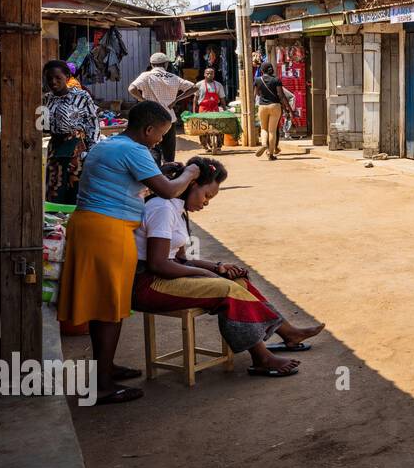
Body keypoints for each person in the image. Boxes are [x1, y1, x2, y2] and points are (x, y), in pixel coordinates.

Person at [57, 101, 203, 404]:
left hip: (90, 225)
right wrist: (189, 174)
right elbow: (167, 190)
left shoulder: (109, 144)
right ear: (148, 129)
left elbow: (133, 181)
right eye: (161, 134)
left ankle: (105, 369)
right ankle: (103, 385)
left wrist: (159, 173)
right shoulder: (135, 151)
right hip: (107, 230)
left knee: (103, 304)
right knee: (109, 308)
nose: (161, 139)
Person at [132, 157, 325, 377]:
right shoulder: (162, 208)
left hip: (165, 278)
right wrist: (205, 273)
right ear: (192, 184)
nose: (205, 203)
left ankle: (286, 333)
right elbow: (158, 265)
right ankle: (263, 357)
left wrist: (218, 267)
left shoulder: (177, 209)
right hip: (148, 285)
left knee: (237, 281)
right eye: (206, 196)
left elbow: (180, 260)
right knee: (227, 289)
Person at [42, 60, 101, 205]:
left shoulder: (81, 97)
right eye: (49, 78)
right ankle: (56, 225)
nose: (53, 82)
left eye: (58, 78)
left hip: (77, 149)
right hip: (55, 148)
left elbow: (93, 124)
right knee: (55, 188)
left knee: (76, 188)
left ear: (67, 77)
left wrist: (92, 149)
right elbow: (43, 126)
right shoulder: (46, 99)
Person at [128, 52, 195, 165]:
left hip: (150, 119)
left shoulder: (146, 76)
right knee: (169, 151)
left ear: (152, 64)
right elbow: (194, 87)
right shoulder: (173, 77)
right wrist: (177, 99)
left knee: (153, 149)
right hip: (169, 118)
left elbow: (131, 89)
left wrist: (143, 101)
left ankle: (155, 176)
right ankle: (168, 175)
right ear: (166, 64)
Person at [253, 62, 293, 160]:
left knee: (263, 129)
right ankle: (271, 154)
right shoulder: (276, 80)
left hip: (262, 106)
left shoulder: (258, 80)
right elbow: (281, 95)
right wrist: (289, 109)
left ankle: (263, 144)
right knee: (272, 131)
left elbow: (256, 94)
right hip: (275, 106)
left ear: (262, 70)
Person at [193, 67, 227, 153]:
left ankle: (219, 145)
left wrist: (225, 110)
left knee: (218, 127)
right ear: (204, 74)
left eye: (211, 73)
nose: (209, 75)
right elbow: (195, 99)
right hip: (203, 109)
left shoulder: (218, 85)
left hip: (215, 109)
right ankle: (205, 145)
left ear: (214, 74)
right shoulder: (199, 85)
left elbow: (222, 99)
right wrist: (194, 112)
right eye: (207, 73)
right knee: (203, 128)